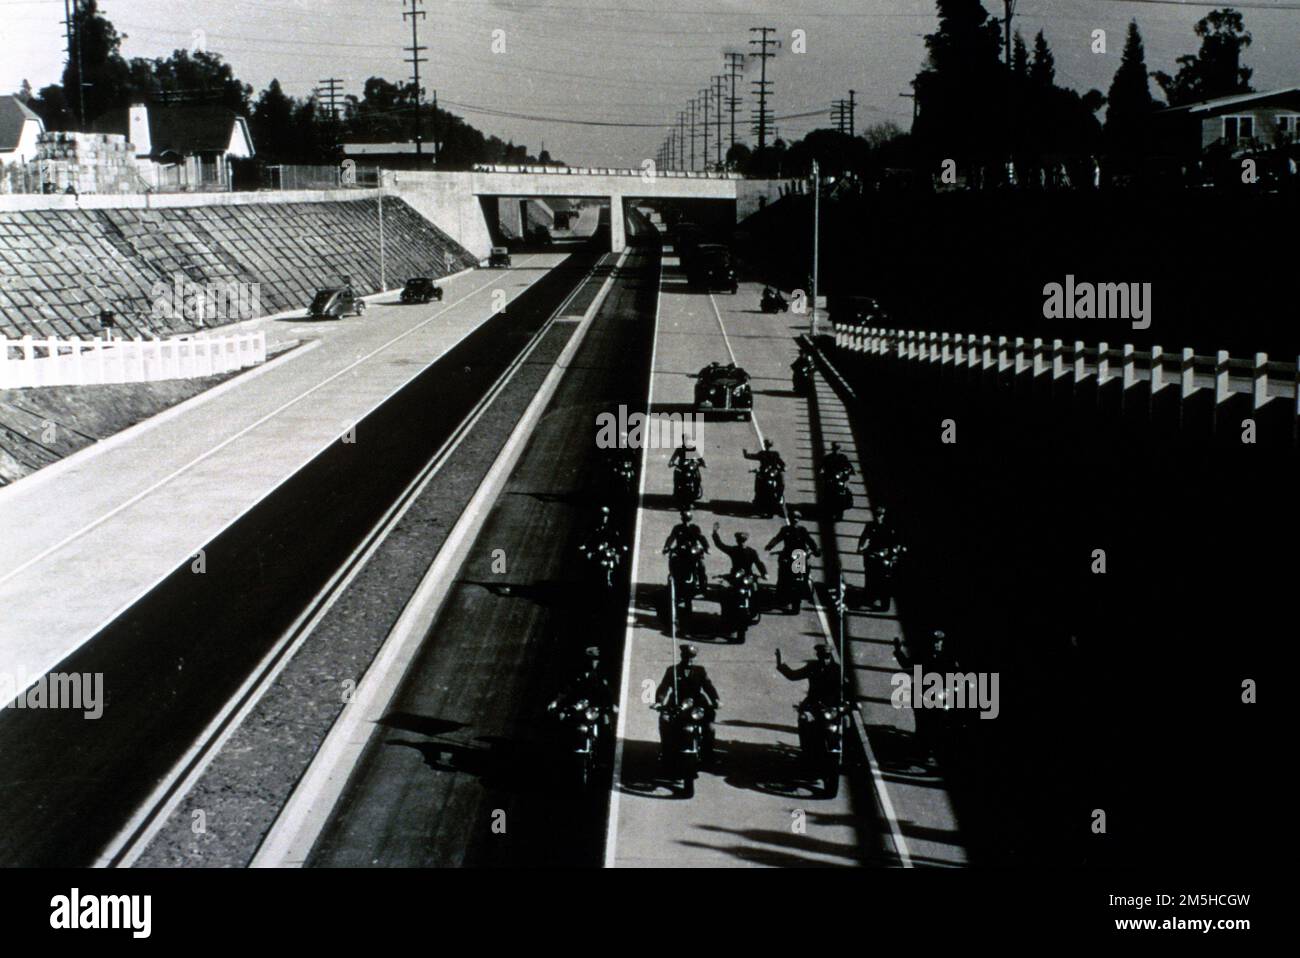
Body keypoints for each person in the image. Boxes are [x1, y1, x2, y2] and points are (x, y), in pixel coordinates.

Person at [655, 645, 720, 756]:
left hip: (697, 703)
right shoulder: (672, 670)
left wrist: (716, 700)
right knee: (664, 719)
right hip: (677, 702)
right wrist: (659, 701)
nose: (689, 659)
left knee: (709, 724)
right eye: (687, 656)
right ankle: (666, 751)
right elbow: (664, 687)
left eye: (692, 657)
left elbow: (708, 686)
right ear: (681, 656)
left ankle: (708, 753)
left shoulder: (700, 670)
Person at [549, 647, 617, 718]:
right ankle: (610, 706)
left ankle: (598, 657)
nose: (556, 704)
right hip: (585, 696)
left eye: (554, 704)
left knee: (594, 676)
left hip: (583, 687)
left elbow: (570, 687)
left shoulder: (562, 694)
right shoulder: (567, 710)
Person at [775, 644, 843, 709]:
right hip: (814, 701)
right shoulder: (813, 667)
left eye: (827, 656)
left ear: (830, 656)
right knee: (804, 715)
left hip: (833, 702)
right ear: (818, 656)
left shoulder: (837, 668)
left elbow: (845, 685)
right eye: (821, 656)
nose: (825, 660)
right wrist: (779, 663)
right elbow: (793, 676)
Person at [663, 508, 710, 588]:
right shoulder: (677, 528)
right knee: (673, 559)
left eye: (687, 519)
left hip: (692, 551)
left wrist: (706, 547)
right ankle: (672, 577)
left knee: (701, 564)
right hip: (680, 550)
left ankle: (702, 585)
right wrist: (666, 547)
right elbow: (671, 538)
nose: (686, 521)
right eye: (684, 519)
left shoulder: (695, 528)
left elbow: (701, 538)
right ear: (682, 519)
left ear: (690, 519)